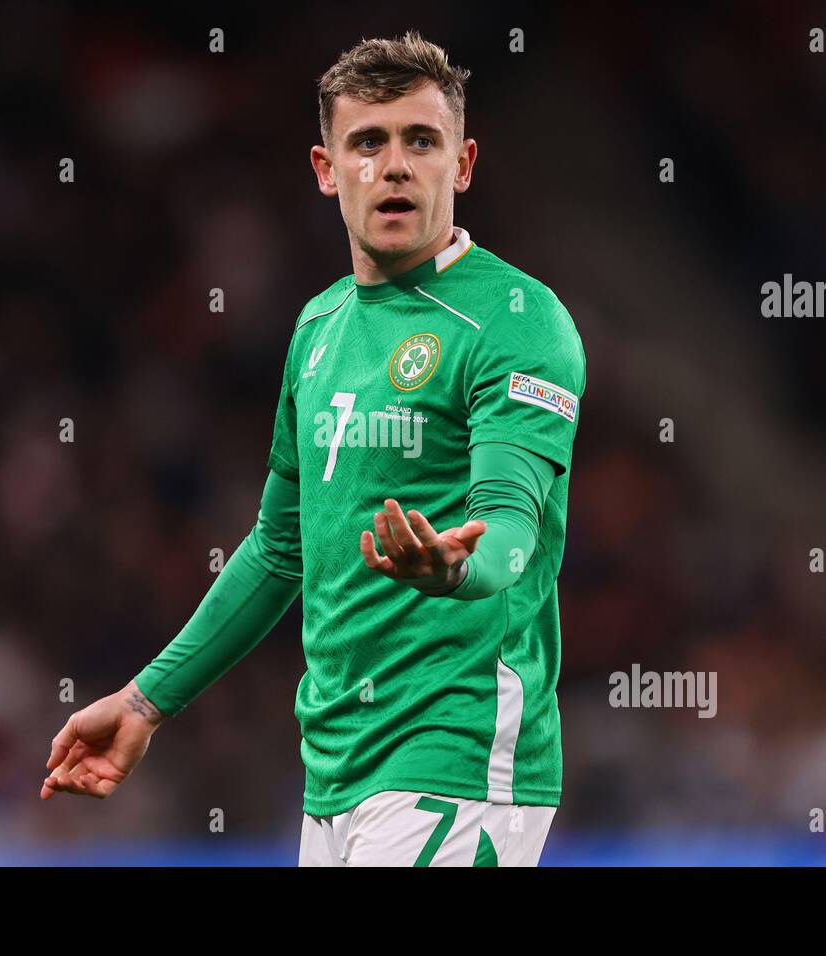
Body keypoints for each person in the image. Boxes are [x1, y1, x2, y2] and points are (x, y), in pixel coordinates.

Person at [42, 30, 586, 867]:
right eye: (367, 143)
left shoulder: (518, 321)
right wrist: (147, 701)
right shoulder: (318, 329)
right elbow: (280, 546)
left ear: (464, 163)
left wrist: (459, 570)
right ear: (327, 170)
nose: (395, 165)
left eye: (421, 141)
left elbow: (510, 526)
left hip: (458, 757)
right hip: (334, 778)